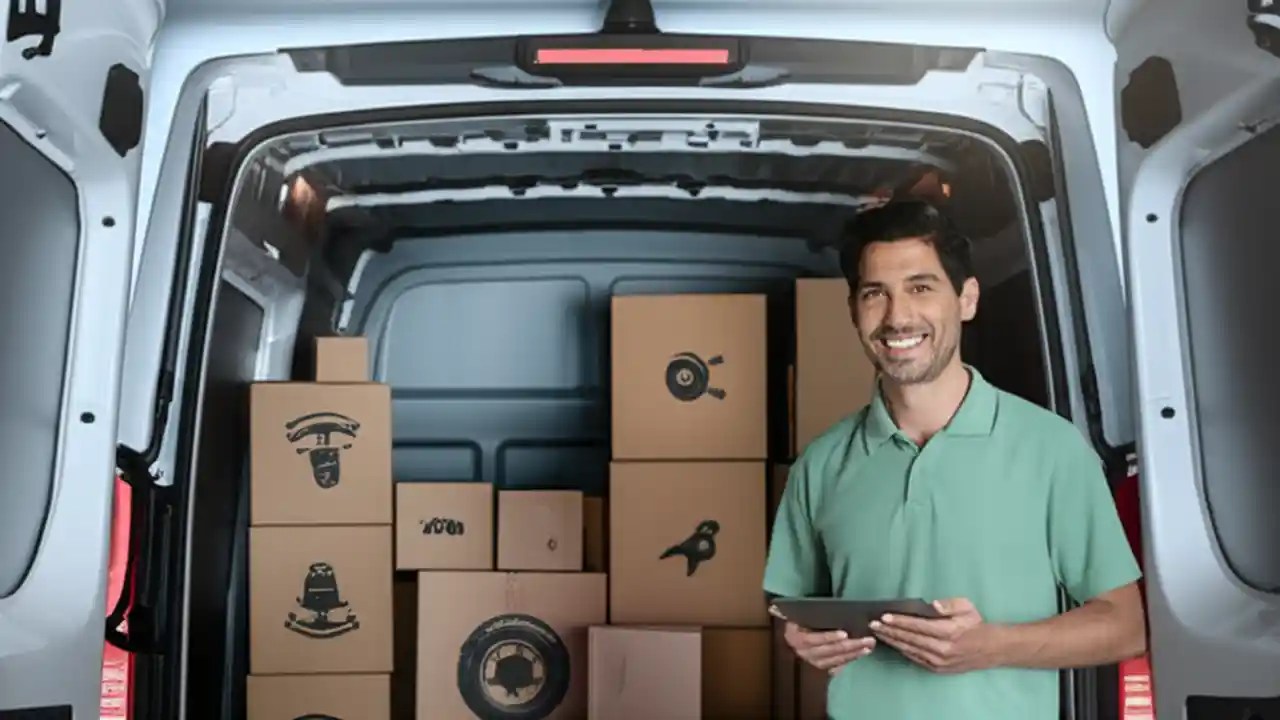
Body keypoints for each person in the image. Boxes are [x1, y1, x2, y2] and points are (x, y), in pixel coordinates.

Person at [762, 200, 1146, 719]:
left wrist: (993, 646)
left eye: (921, 288)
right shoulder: (821, 463)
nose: (898, 316)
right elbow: (792, 611)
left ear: (966, 299)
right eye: (876, 294)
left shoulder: (1051, 448)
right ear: (853, 310)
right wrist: (801, 639)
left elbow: (1125, 626)